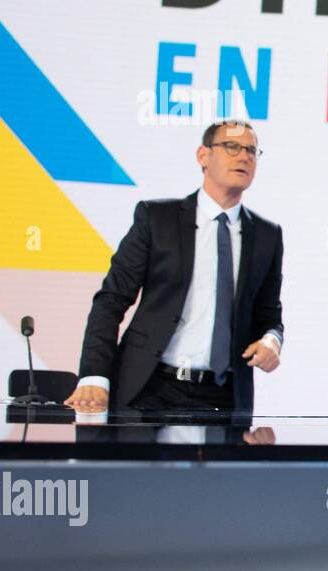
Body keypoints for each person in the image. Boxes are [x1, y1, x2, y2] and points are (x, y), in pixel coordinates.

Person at [66, 119, 285, 416]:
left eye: (251, 150)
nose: (244, 156)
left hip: (223, 396)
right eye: (232, 146)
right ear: (203, 156)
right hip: (149, 386)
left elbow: (269, 315)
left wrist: (272, 340)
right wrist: (94, 377)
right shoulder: (157, 218)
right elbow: (111, 300)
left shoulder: (267, 236)